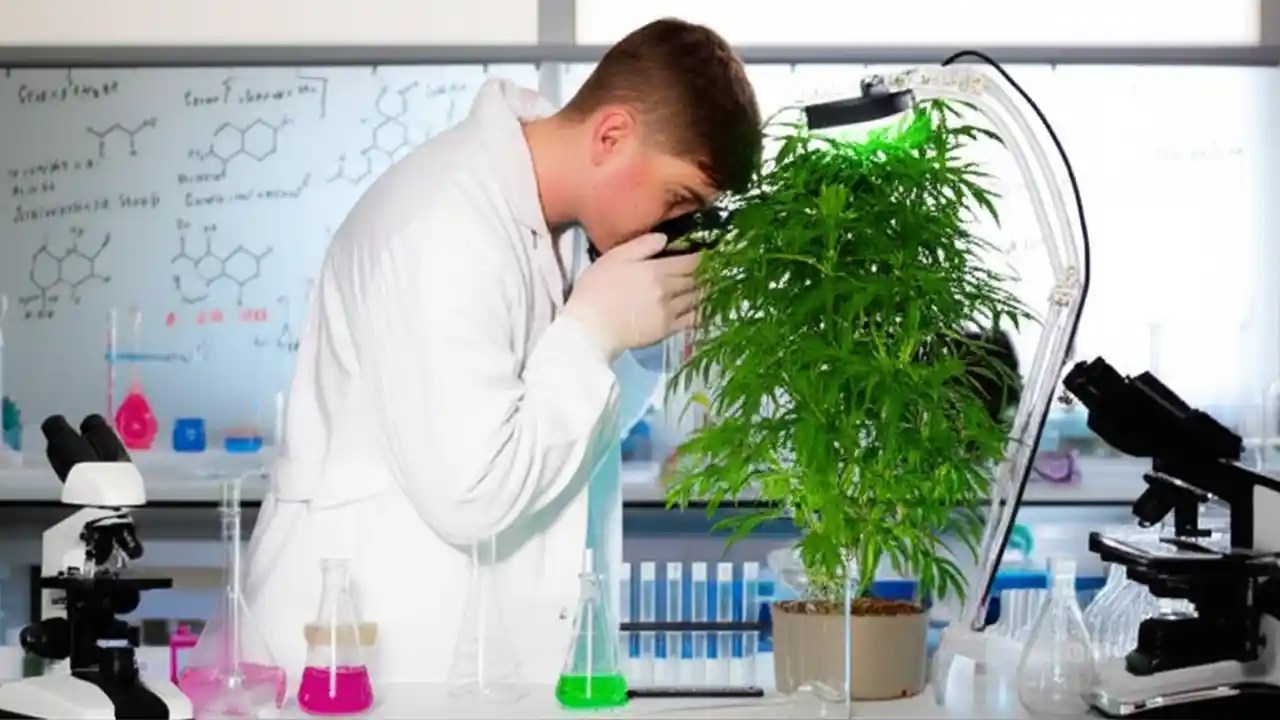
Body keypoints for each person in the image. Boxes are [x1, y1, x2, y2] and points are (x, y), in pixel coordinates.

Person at [241, 17, 762, 689]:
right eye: (679, 199)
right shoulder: (445, 222)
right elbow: (473, 491)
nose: (676, 225)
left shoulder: (559, 226)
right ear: (611, 135)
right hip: (371, 653)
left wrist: (635, 335)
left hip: (464, 657)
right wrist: (592, 331)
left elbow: (567, 435)